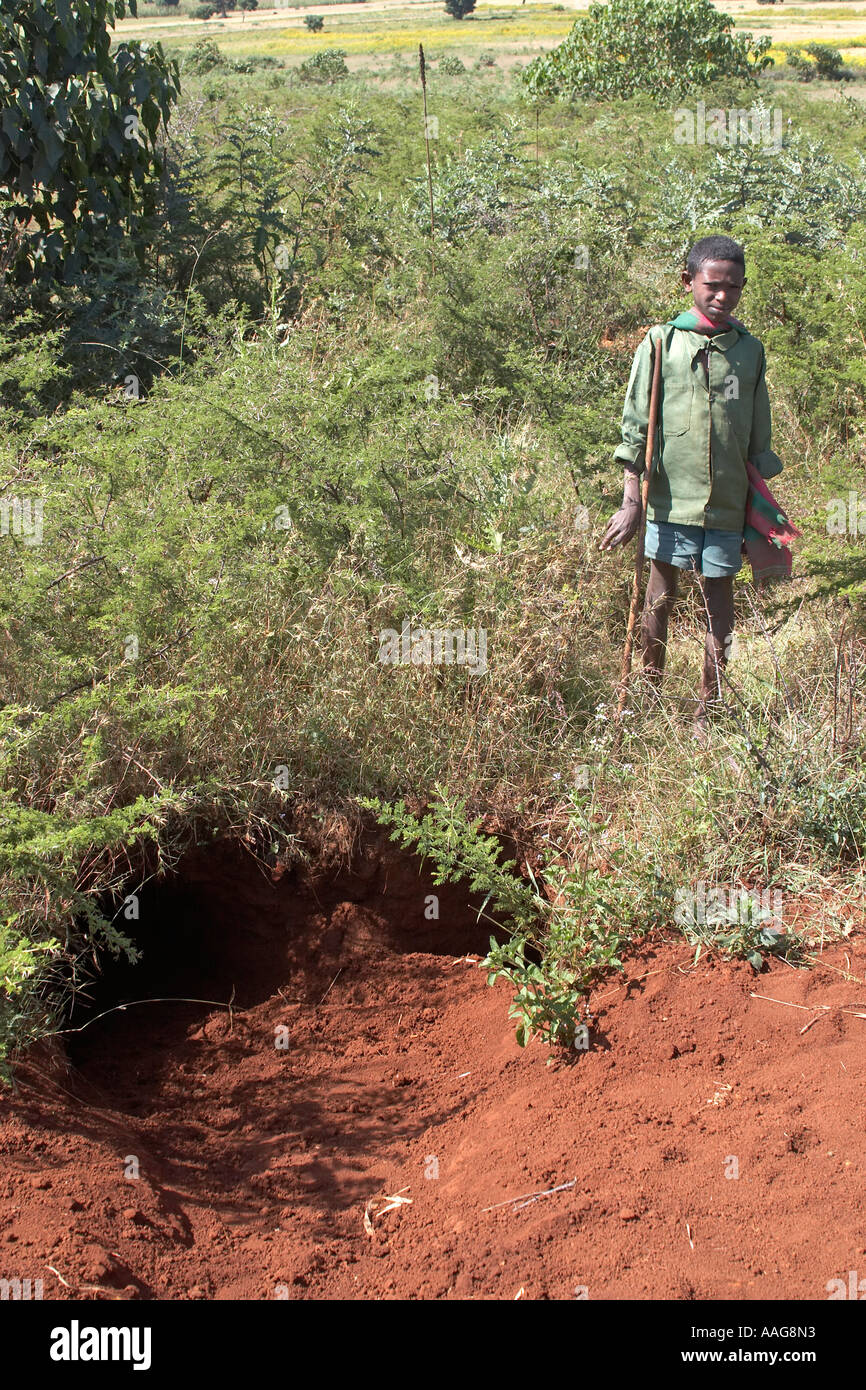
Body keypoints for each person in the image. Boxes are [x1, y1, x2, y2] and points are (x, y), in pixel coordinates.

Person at [600, 234, 784, 738]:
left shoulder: (749, 352)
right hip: (668, 500)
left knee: (718, 603)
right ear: (689, 283)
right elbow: (636, 426)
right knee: (659, 596)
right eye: (712, 286)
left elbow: (756, 437)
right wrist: (631, 500)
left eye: (733, 288)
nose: (722, 297)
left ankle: (711, 708)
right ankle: (649, 694)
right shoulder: (661, 342)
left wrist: (760, 508)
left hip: (726, 504)